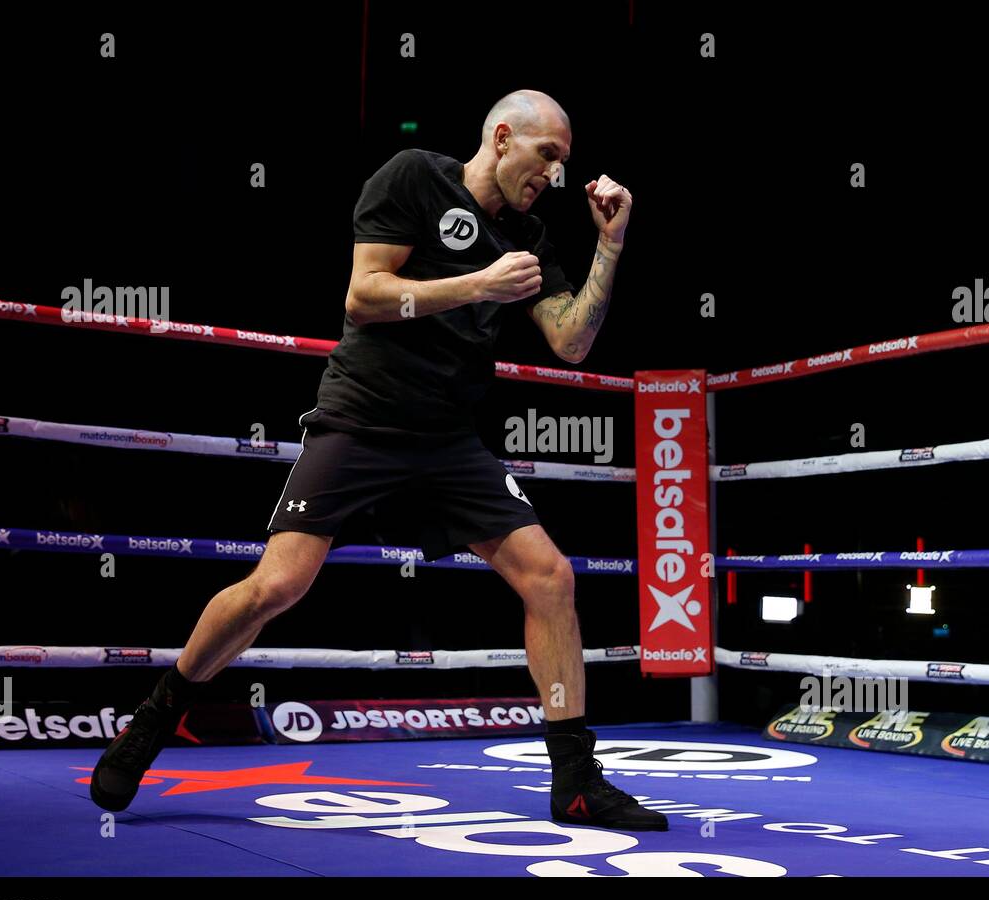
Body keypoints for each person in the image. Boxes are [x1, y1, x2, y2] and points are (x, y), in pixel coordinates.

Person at [91, 89, 665, 832]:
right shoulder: (412, 177)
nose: (554, 175)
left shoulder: (528, 235)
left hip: (450, 439)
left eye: (564, 162)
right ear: (501, 138)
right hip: (362, 417)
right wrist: (477, 284)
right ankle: (155, 718)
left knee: (550, 577)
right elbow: (364, 297)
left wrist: (610, 246)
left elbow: (572, 341)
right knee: (277, 586)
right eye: (546, 155)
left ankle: (576, 781)